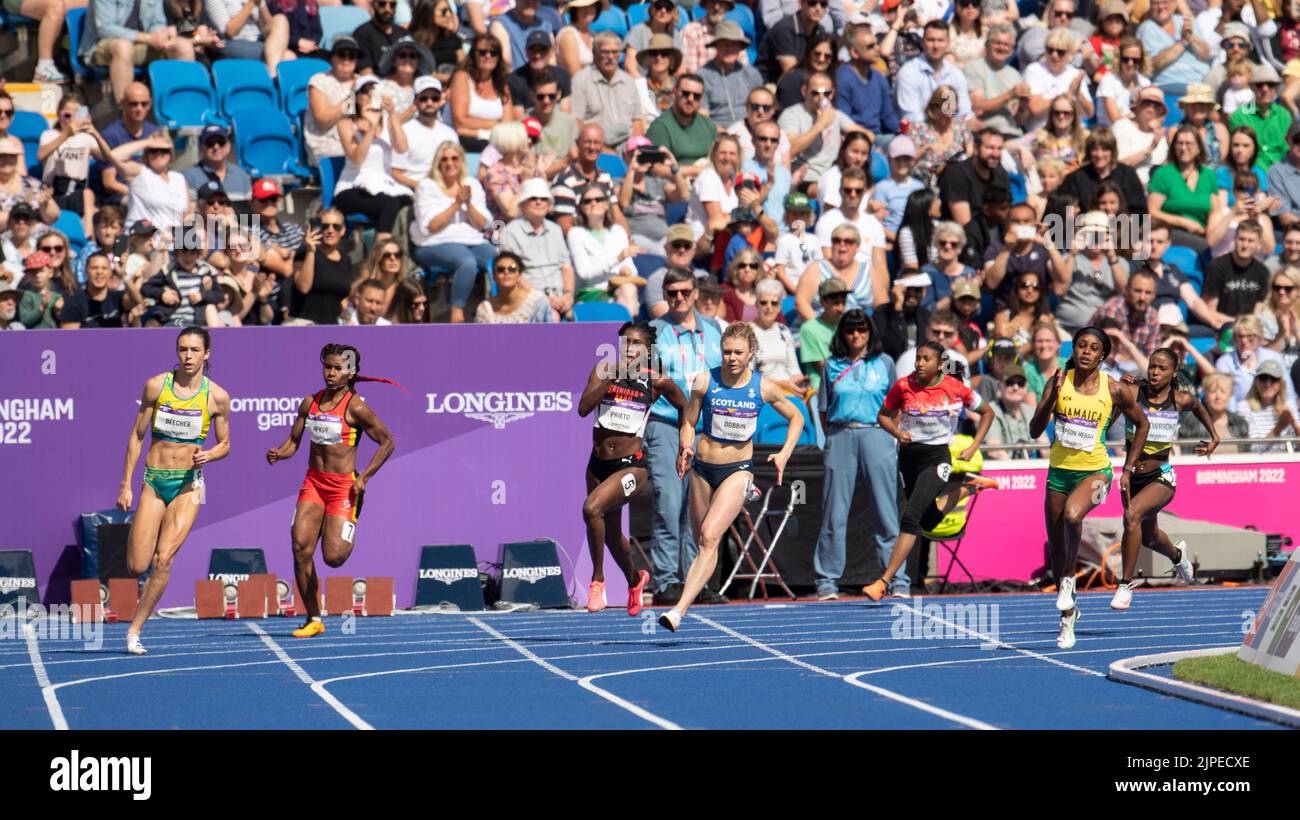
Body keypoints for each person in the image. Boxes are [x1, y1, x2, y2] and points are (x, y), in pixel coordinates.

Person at [659, 323, 804, 632]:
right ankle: (689, 599)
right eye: (727, 352)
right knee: (703, 541)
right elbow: (688, 419)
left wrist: (784, 453)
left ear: (751, 353)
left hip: (737, 470)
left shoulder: (763, 387)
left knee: (710, 535)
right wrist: (685, 446)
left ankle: (679, 610)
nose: (732, 358)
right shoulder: (703, 381)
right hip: (702, 468)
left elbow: (796, 417)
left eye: (738, 352)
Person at [1029, 326, 1149, 649]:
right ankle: (1068, 618)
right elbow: (1034, 430)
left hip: (1097, 473)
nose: (1086, 351)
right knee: (1057, 551)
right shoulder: (1057, 381)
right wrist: (1050, 400)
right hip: (1058, 474)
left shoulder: (1114, 390)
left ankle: (1067, 584)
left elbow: (1143, 424)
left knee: (1072, 515)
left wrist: (1129, 467)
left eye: (1094, 348)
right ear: (1074, 348)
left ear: (1102, 356)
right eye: (1081, 345)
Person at [266, 344, 396, 638]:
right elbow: (293, 443)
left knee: (334, 557)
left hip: (343, 489)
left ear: (350, 372)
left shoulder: (356, 406)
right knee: (300, 547)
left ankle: (345, 520)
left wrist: (364, 477)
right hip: (313, 482)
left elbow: (387, 441)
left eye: (338, 368)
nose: (331, 373)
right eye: (328, 367)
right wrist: (279, 453)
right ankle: (313, 618)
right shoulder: (310, 402)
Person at [117, 327, 231, 655]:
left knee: (163, 559)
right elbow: (137, 437)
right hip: (154, 481)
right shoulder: (156, 386)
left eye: (195, 350)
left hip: (189, 485)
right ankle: (141, 546)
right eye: (183, 349)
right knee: (138, 565)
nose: (188, 356)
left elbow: (226, 443)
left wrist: (210, 454)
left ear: (206, 354)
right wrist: (125, 484)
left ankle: (135, 631)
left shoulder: (216, 396)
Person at [861, 340, 995, 601]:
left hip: (937, 457)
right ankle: (970, 487)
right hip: (909, 457)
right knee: (929, 522)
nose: (919, 363)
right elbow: (882, 416)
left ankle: (883, 582)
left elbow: (988, 412)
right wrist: (898, 432)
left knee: (910, 519)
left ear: (940, 364)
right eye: (918, 358)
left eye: (926, 359)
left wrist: (974, 446)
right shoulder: (903, 386)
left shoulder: (955, 388)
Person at [577, 321, 687, 613]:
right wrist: (609, 379)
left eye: (636, 344)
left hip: (632, 468)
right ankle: (635, 579)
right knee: (612, 534)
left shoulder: (656, 381)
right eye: (625, 342)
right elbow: (584, 408)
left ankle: (597, 580)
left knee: (591, 509)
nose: (630, 349)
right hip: (598, 464)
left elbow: (686, 406)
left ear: (647, 350)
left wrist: (683, 446)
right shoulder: (604, 371)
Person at [1112, 348, 1214, 610]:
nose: (1155, 372)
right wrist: (1119, 396)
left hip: (1162, 477)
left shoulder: (1180, 399)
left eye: (1162, 368)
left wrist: (1214, 436)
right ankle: (1178, 555)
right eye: (1152, 366)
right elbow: (1111, 414)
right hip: (1134, 477)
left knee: (1131, 516)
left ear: (1174, 372)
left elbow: (1199, 406)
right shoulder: (1134, 393)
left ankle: (1125, 585)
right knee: (1149, 537)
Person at [647, 269, 724, 607]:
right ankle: (666, 580)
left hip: (705, 427)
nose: (678, 298)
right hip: (665, 423)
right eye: (671, 292)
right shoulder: (652, 332)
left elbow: (724, 376)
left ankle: (697, 579)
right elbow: (641, 382)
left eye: (684, 292)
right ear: (665, 294)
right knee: (668, 503)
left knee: (700, 509)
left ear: (695, 293)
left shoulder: (714, 329)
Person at [813, 309, 901, 598]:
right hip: (841, 433)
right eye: (850, 330)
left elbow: (895, 406)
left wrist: (891, 437)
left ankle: (895, 578)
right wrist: (834, 438)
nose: (856, 336)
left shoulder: (885, 362)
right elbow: (824, 410)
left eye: (861, 330)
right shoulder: (831, 365)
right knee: (833, 512)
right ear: (842, 334)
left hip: (878, 432)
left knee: (886, 511)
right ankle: (827, 580)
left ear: (870, 332)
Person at [410, 141, 494, 324]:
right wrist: (456, 204)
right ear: (438, 163)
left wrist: (468, 203)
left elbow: (482, 225)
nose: (450, 163)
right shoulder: (427, 186)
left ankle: (499, 309)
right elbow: (431, 226)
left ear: (462, 161)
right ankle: (457, 313)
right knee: (467, 262)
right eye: (444, 159)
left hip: (471, 240)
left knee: (497, 258)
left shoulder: (471, 184)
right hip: (433, 242)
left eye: (454, 158)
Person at [82, 0, 199, 104]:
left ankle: (183, 107)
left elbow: (157, 21)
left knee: (183, 46)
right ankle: (124, 112)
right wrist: (147, 38)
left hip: (143, 43)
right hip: (103, 44)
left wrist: (160, 35)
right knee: (123, 47)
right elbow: (105, 29)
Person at [778, 71, 866, 196]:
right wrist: (820, 124)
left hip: (832, 177)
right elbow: (789, 150)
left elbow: (866, 137)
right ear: (804, 91)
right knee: (825, 191)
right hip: (803, 178)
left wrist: (848, 143)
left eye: (826, 93)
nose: (821, 98)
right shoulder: (792, 114)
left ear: (833, 93)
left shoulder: (834, 114)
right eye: (815, 93)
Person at [499, 178, 575, 321]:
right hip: (527, 298)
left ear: (549, 204)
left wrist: (569, 294)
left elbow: (566, 267)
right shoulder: (510, 232)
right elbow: (513, 275)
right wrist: (544, 298)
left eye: (543, 198)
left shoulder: (555, 229)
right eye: (533, 198)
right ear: (522, 204)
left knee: (587, 315)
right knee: (551, 316)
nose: (539, 202)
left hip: (560, 297)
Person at [568, 183, 642, 316]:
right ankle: (623, 335)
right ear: (581, 207)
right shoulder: (575, 233)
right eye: (587, 201)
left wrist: (626, 270)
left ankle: (624, 336)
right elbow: (585, 273)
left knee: (629, 289)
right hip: (590, 291)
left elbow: (631, 267)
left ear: (607, 204)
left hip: (617, 287)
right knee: (626, 297)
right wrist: (618, 259)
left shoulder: (618, 230)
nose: (593, 203)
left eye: (599, 199)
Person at [1054, 211, 1128, 335]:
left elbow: (1123, 290)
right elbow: (1060, 289)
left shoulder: (1119, 262)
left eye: (1099, 235)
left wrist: (1112, 257)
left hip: (1102, 330)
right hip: (1067, 326)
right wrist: (1072, 253)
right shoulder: (1068, 259)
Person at [571, 31, 645, 151]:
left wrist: (630, 149)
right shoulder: (580, 81)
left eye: (615, 52)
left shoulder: (629, 81)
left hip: (628, 147)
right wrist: (605, 151)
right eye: (605, 52)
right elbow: (576, 125)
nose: (610, 57)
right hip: (596, 149)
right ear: (594, 53)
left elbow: (638, 122)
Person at [796, 224, 886, 322]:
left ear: (857, 247)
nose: (842, 245)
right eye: (837, 241)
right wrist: (821, 329)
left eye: (848, 241)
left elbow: (882, 306)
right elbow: (801, 303)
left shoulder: (869, 271)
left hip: (856, 331)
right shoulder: (816, 268)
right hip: (818, 329)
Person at [894, 21, 974, 126]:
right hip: (917, 134)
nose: (936, 46)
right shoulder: (908, 73)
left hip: (951, 132)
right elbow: (911, 117)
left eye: (941, 40)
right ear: (922, 42)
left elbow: (965, 113)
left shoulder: (956, 74)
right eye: (931, 40)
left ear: (948, 43)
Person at [392, 76, 459, 190]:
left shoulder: (450, 133)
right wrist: (422, 187)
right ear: (415, 102)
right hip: (410, 189)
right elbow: (396, 172)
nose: (429, 103)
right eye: (424, 98)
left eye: (435, 98)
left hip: (443, 189)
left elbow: (457, 168)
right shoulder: (404, 131)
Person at [450, 34, 514, 153]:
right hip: (463, 145)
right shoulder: (462, 77)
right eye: (482, 52)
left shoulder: (501, 83)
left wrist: (476, 131)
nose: (488, 56)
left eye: (493, 52)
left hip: (494, 145)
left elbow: (508, 125)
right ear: (474, 54)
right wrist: (496, 123)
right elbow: (460, 121)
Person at [1137, 0, 1215, 93]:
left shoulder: (1187, 22)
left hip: (1202, 83)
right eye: (1156, 3)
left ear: (1174, 3)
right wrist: (1183, 42)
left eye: (1165, 2)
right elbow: (1154, 64)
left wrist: (1192, 37)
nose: (1161, 7)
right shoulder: (1147, 28)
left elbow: (1207, 54)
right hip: (1171, 85)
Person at [1216, 314, 1296, 404]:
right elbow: (1227, 401)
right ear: (1234, 338)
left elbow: (1289, 394)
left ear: (1259, 337)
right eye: (1240, 336)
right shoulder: (1225, 363)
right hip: (1239, 414)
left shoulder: (1273, 358)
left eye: (1250, 336)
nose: (1244, 341)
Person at [291, 208, 353, 325]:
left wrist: (347, 318)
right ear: (319, 228)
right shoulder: (304, 252)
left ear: (343, 231)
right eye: (325, 226)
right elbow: (303, 287)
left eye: (336, 227)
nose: (330, 230)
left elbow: (342, 296)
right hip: (305, 323)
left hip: (333, 325)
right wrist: (310, 251)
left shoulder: (346, 259)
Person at [647, 74, 719, 174]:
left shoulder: (709, 126)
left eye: (696, 96)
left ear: (701, 99)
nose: (690, 99)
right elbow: (656, 169)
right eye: (685, 93)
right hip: (674, 184)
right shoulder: (660, 127)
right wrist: (697, 171)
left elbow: (718, 161)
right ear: (674, 92)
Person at [837, 25, 899, 140]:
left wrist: (902, 131)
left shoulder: (879, 77)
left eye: (876, 44)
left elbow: (888, 116)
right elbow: (843, 121)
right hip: (853, 139)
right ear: (854, 52)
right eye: (871, 46)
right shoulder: (842, 78)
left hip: (878, 136)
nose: (878, 48)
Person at [1228, 62, 1293, 171]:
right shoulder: (1238, 117)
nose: (1265, 89)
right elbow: (1239, 154)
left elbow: (1289, 150)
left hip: (1282, 173)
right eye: (1260, 85)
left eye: (1270, 85)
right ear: (1252, 87)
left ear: (1277, 88)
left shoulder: (1284, 115)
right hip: (1251, 174)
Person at [698, 21, 762, 131]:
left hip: (750, 131)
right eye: (724, 44)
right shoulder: (702, 76)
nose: (729, 49)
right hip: (716, 133)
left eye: (734, 44)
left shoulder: (751, 74)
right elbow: (702, 118)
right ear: (716, 46)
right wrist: (726, 135)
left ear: (740, 48)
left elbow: (762, 109)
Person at [1202, 220, 1271, 319]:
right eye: (1241, 239)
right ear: (1234, 239)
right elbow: (1209, 311)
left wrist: (1247, 326)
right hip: (1221, 326)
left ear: (1259, 244)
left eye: (1251, 241)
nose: (1245, 245)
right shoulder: (1216, 267)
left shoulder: (1263, 271)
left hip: (1250, 329)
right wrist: (1237, 324)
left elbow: (1258, 312)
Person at [938, 128, 1009, 226]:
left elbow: (1006, 213)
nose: (995, 154)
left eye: (999, 148)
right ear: (976, 148)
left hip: (993, 232)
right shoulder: (957, 174)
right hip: (962, 236)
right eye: (990, 148)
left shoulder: (1001, 174)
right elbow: (964, 223)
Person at [204, 0, 297, 73]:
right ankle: (273, 79)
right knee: (288, 56)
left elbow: (270, 28)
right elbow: (229, 32)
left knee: (281, 19)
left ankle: (272, 77)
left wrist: (261, 6)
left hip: (257, 41)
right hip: (230, 43)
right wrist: (251, 4)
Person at [59, 251, 144, 328]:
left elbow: (136, 300)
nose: (99, 272)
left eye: (104, 268)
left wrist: (123, 276)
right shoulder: (74, 302)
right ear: (86, 271)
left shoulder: (116, 298)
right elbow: (69, 338)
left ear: (110, 272)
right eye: (94, 268)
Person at [1232, 360, 1298, 451]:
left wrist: (1294, 424)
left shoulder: (1288, 405)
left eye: (1273, 379)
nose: (1268, 384)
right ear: (1256, 381)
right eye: (1263, 378)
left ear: (1280, 383)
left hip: (1287, 461)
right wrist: (1278, 429)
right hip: (1259, 463)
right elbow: (1252, 450)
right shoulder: (1244, 407)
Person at [1178, 372, 1248, 454]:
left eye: (1223, 391)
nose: (1218, 396)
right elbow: (1186, 455)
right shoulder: (1193, 420)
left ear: (1230, 395)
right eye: (1213, 391)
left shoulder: (1240, 422)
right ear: (1205, 394)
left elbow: (1247, 455)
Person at [474, 251, 552, 323]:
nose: (506, 272)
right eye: (500, 269)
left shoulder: (538, 302)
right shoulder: (485, 310)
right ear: (494, 277)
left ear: (520, 276)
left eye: (512, 269)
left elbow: (548, 335)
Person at [984, 364, 1044, 458]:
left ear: (1026, 387)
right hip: (1001, 469)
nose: (1015, 387)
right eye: (1010, 382)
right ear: (1000, 386)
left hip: (1030, 468)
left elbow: (1045, 448)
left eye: (1020, 383)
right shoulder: (990, 410)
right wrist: (1017, 470)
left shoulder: (1031, 411)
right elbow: (994, 450)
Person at [181, 125, 253, 203]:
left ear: (228, 147)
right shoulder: (189, 177)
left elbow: (249, 211)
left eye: (221, 142)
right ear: (201, 148)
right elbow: (188, 212)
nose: (216, 147)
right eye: (210, 143)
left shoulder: (241, 175)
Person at [800, 278, 848, 393]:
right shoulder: (809, 329)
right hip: (822, 388)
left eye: (843, 302)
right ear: (823, 302)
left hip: (849, 383)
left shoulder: (848, 325)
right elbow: (823, 369)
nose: (841, 308)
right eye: (836, 303)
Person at [872, 136, 924, 241]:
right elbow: (878, 222)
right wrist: (898, 240)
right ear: (889, 160)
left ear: (913, 160)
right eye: (897, 159)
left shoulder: (919, 186)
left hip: (916, 240)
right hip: (891, 241)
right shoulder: (882, 187)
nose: (902, 163)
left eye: (906, 159)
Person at [509, 33, 572, 115]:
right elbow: (519, 119)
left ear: (551, 51)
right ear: (526, 52)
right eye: (533, 50)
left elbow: (565, 113)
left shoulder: (563, 76)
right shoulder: (515, 80)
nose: (537, 55)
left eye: (542, 50)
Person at [1096, 36, 1151, 128]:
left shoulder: (1145, 83)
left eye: (1135, 60)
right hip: (1111, 133)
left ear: (1142, 61)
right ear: (1119, 59)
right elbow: (1115, 119)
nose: (1130, 63)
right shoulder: (1108, 80)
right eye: (1126, 59)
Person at [994, 271, 1054, 355]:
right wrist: (1000, 337)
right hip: (1010, 365)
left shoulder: (1047, 318)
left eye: (1036, 286)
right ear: (1017, 289)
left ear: (1041, 291)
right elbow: (997, 353)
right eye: (1024, 286)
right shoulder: (1003, 316)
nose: (1030, 290)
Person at [633, 33, 681, 122]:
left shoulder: (681, 85)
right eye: (654, 53)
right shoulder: (638, 85)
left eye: (664, 53)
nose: (659, 58)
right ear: (647, 59)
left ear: (672, 59)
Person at [353, 0, 410, 73]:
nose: (387, 9)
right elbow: (365, 71)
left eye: (392, 5)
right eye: (382, 4)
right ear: (373, 5)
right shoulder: (362, 33)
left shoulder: (403, 33)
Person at [556, 0, 598, 77]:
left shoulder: (594, 35)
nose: (588, 10)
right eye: (583, 7)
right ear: (575, 10)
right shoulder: (568, 35)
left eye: (592, 6)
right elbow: (576, 76)